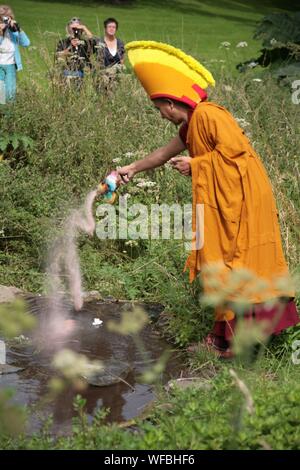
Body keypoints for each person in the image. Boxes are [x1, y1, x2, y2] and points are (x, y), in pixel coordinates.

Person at [117, 40, 299, 359]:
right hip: (225, 200)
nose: (159, 116)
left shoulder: (209, 115)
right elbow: (163, 153)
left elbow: (237, 157)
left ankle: (237, 341)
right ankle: (224, 337)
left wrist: (197, 164)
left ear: (171, 102)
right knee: (220, 263)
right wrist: (131, 168)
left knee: (240, 262)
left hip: (245, 197)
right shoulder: (191, 125)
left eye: (158, 108)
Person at [0, 4, 30, 103]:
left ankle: (9, 116)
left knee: (10, 93)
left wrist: (18, 29)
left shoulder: (13, 32)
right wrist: (1, 32)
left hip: (11, 65)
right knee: (1, 93)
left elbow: (26, 43)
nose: (5, 21)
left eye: (7, 19)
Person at [55, 17, 94, 86]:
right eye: (73, 28)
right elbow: (58, 55)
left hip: (81, 74)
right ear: (68, 29)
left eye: (77, 28)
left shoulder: (84, 43)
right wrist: (70, 47)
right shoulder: (63, 42)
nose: (75, 30)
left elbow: (93, 41)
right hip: (66, 74)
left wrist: (84, 28)